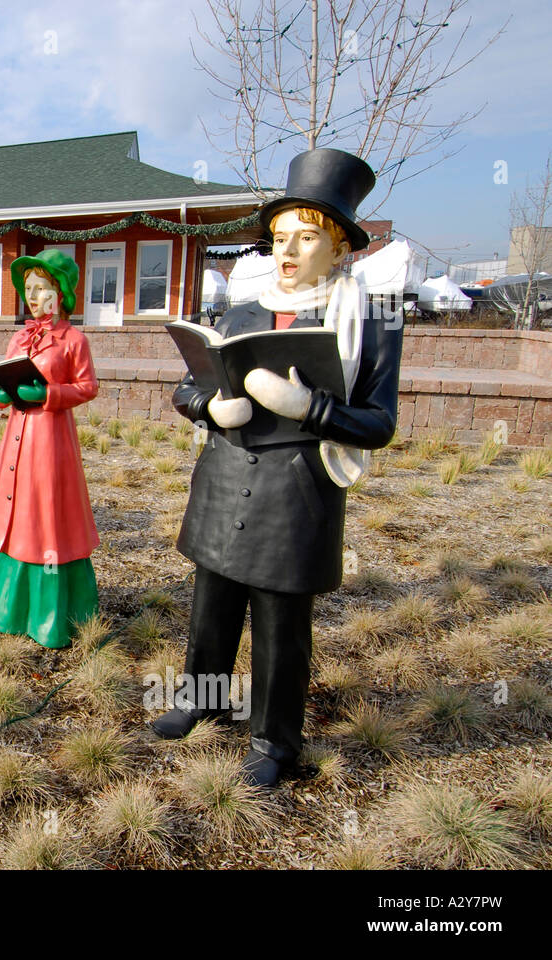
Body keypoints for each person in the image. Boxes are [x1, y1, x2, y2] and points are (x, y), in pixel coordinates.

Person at [153, 148, 402, 787]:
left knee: (279, 621)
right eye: (279, 238)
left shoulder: (368, 322)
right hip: (225, 476)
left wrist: (311, 406)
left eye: (308, 237)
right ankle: (203, 697)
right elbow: (187, 387)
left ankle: (275, 740)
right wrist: (213, 405)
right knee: (211, 602)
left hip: (296, 491)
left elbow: (379, 423)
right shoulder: (241, 312)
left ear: (342, 246)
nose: (288, 252)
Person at [0, 249, 99, 649]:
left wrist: (48, 393)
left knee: (44, 513)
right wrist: (1, 391)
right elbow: (6, 377)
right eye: (29, 288)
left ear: (61, 292)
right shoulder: (20, 336)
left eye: (42, 288)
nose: (34, 296)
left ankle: (47, 616)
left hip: (50, 438)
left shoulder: (74, 340)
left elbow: (88, 386)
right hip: (17, 438)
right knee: (12, 509)